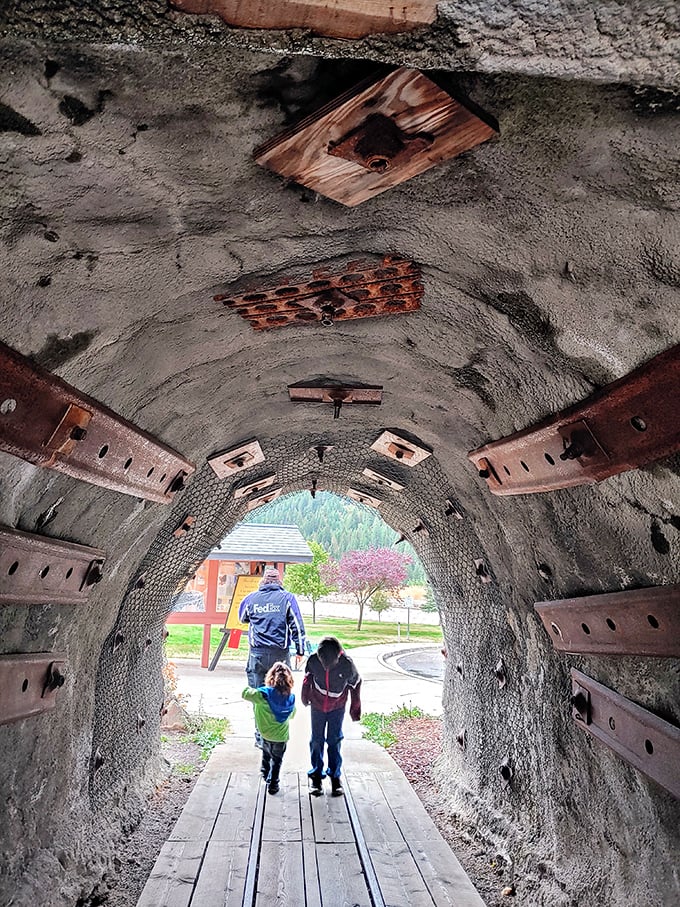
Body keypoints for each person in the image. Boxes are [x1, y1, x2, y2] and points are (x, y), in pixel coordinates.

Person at [238, 566, 306, 746]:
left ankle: (261, 738)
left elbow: (242, 618)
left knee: (258, 695)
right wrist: (300, 650)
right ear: (279, 581)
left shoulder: (251, 599)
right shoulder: (287, 599)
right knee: (281, 693)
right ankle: (278, 735)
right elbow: (297, 626)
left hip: (257, 655)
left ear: (263, 580)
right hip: (280, 656)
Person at [301, 636, 361, 797]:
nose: (325, 667)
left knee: (334, 740)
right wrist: (304, 695)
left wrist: (355, 706)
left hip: (337, 706)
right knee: (316, 740)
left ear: (338, 655)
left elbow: (356, 683)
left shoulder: (347, 664)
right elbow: (307, 678)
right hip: (317, 705)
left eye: (329, 664)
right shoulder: (313, 660)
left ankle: (335, 777)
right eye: (322, 662)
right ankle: (316, 777)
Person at [242, 662, 296, 795]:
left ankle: (265, 773)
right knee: (277, 760)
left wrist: (254, 685)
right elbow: (292, 714)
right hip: (281, 737)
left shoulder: (262, 696)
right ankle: (273, 784)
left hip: (265, 734)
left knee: (266, 753)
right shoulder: (290, 698)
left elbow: (245, 693)